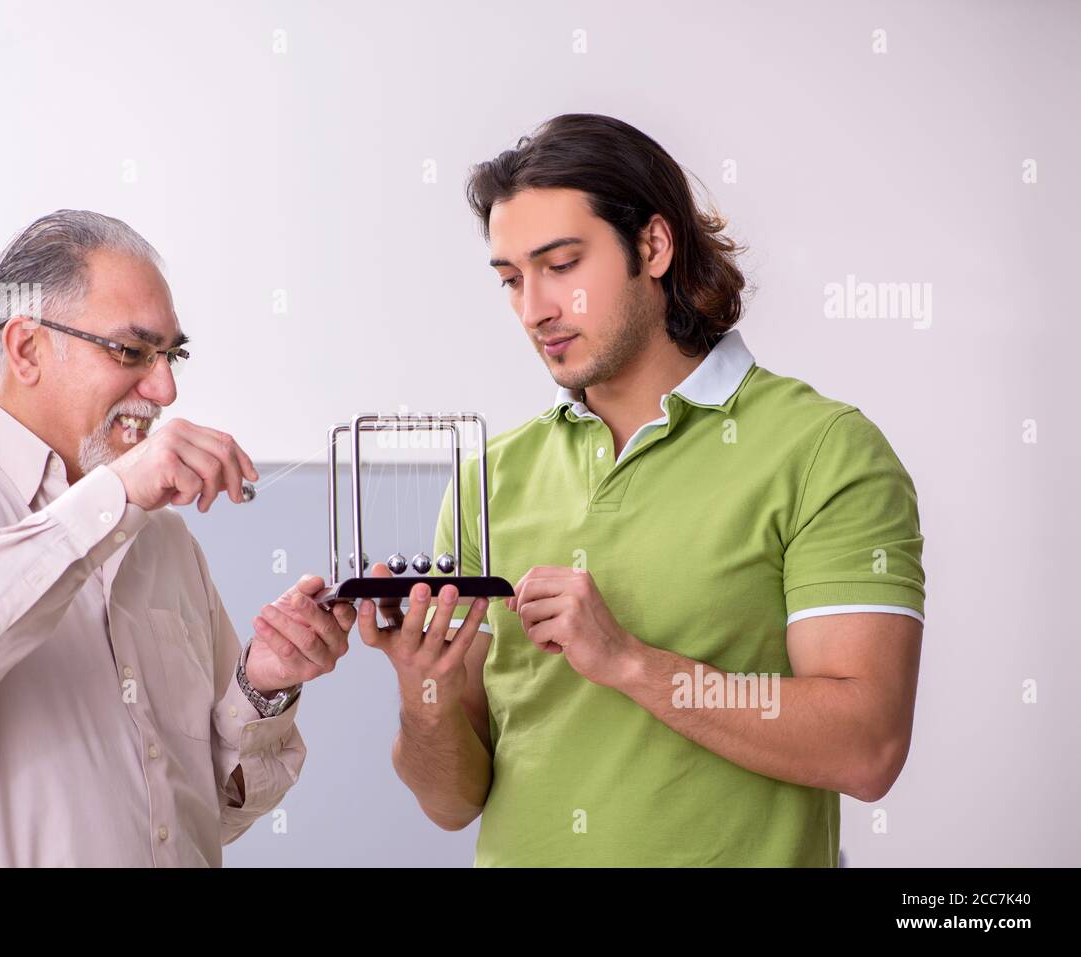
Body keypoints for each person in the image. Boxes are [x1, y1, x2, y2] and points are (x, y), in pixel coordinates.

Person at [355, 114, 926, 866]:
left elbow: (867, 746)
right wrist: (420, 686)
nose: (534, 309)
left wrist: (628, 661)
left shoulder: (825, 451)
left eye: (561, 265)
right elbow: (453, 802)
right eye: (510, 279)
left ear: (654, 246)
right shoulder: (489, 477)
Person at [0, 209, 354, 866]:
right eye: (132, 351)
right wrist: (114, 498)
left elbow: (204, 810)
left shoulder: (163, 541)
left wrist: (263, 684)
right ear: (26, 349)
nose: (165, 387)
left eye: (172, 354)